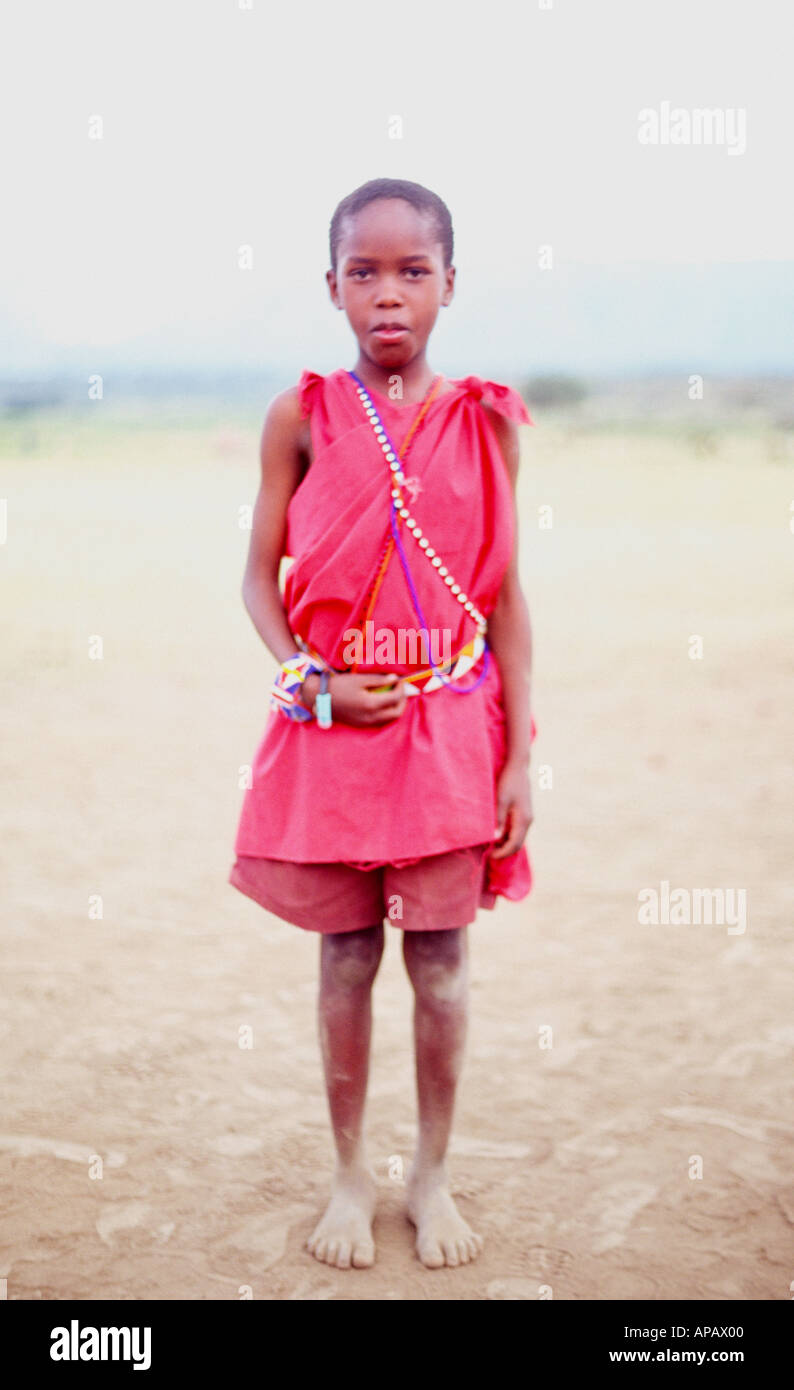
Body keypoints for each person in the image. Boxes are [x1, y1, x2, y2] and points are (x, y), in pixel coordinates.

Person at [228, 177, 536, 1271]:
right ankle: (353, 1172)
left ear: (449, 282)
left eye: (414, 270)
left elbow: (503, 598)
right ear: (331, 288)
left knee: (442, 962)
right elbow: (258, 583)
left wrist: (517, 761)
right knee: (347, 955)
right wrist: (314, 684)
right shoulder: (299, 417)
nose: (389, 294)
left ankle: (434, 1175)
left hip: (452, 729)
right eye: (364, 271)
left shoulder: (485, 419)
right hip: (336, 728)